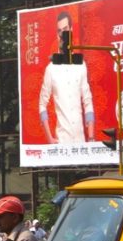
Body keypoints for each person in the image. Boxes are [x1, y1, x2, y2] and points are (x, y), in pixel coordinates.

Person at [38, 11, 96, 144]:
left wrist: (91, 136)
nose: (62, 35)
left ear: (71, 29)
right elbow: (42, 104)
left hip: (81, 140)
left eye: (65, 30)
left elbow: (87, 100)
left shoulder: (81, 65)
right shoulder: (51, 69)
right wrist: (49, 138)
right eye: (59, 31)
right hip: (62, 140)